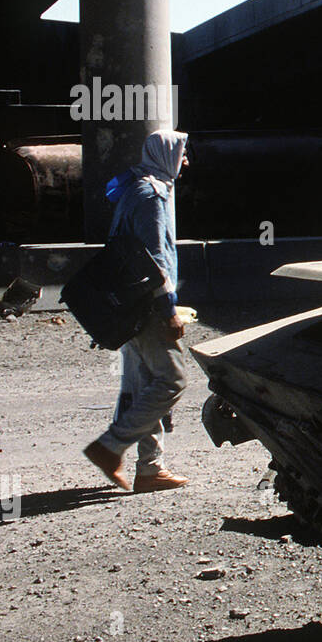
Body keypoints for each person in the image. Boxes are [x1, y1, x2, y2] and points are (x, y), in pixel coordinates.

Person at [83, 129, 191, 493]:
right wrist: (168, 309)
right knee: (173, 381)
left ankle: (151, 468)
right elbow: (154, 258)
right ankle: (110, 448)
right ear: (167, 155)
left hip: (129, 305)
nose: (186, 160)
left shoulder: (134, 187)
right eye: (183, 153)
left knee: (145, 384)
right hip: (146, 306)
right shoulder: (152, 194)